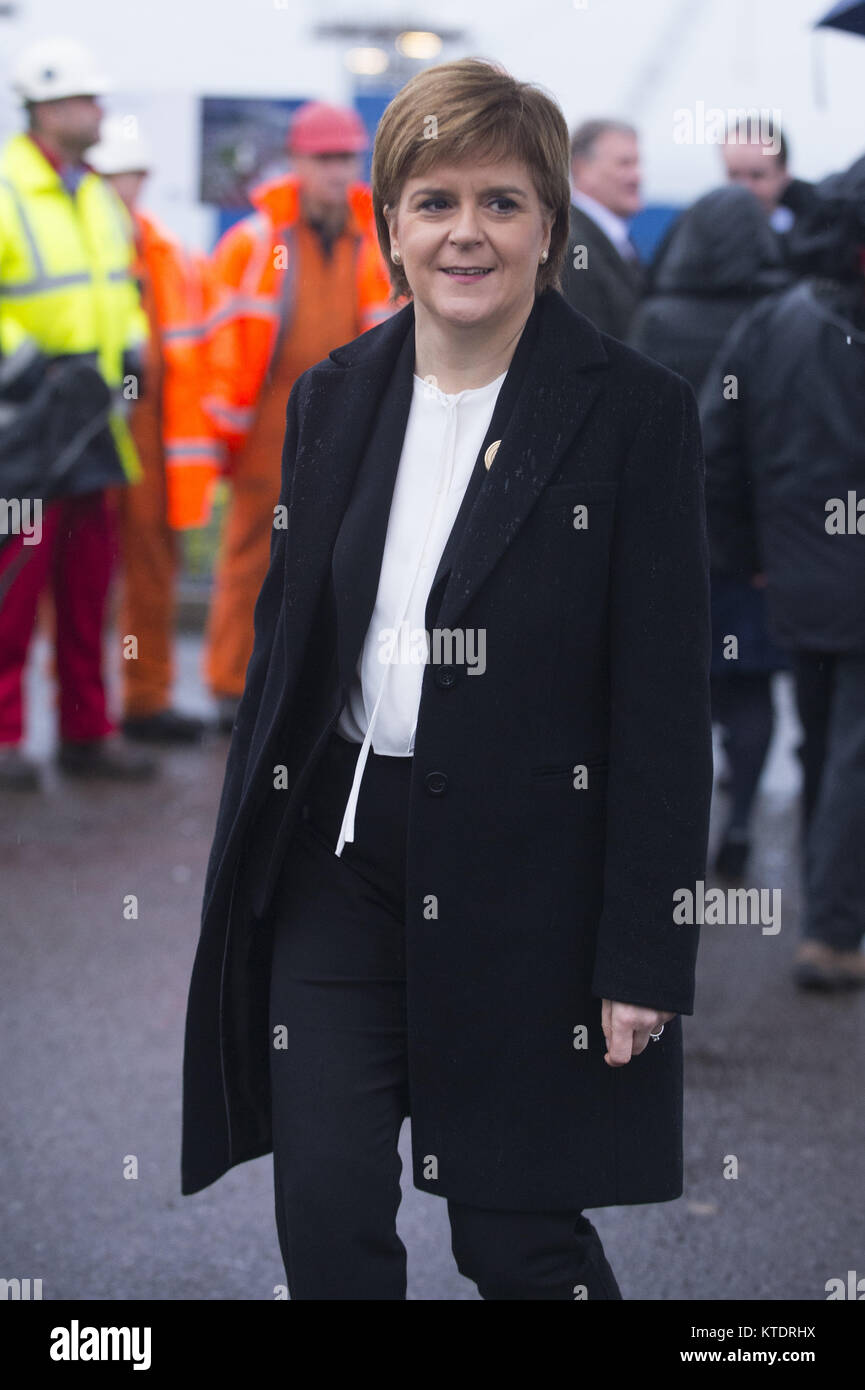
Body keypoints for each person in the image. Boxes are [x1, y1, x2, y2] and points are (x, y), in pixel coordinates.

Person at [181, 57, 713, 1300]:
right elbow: (287, 656)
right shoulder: (336, 396)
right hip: (339, 864)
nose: (465, 232)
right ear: (389, 230)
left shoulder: (636, 413)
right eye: (433, 202)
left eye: (501, 201)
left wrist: (647, 946)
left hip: (535, 881)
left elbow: (661, 702)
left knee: (514, 1238)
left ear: (549, 229)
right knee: (324, 1211)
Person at [701, 155, 865, 991]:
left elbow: (714, 452)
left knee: (825, 743)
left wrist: (746, 561)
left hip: (794, 578)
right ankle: (833, 934)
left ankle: (830, 916)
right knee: (848, 757)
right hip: (821, 574)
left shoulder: (770, 323)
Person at [201, 100, 395, 732]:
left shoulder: (378, 239)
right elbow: (220, 343)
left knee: (346, 557)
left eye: (346, 157)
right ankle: (233, 688)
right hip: (268, 424)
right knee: (252, 556)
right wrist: (221, 434)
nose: (338, 172)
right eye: (324, 158)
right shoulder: (253, 243)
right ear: (296, 162)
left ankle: (315, 687)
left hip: (349, 421)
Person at [0, 38, 155, 789]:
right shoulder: (4, 185)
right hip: (23, 425)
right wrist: (25, 363)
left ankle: (87, 733)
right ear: (51, 108)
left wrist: (131, 349)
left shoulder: (94, 195)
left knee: (89, 585)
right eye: (89, 100)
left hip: (91, 422)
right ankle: (3, 738)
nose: (99, 113)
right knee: (13, 588)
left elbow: (122, 288)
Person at [629, 184, 792, 878]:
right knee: (750, 694)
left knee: (675, 698)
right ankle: (740, 827)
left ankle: (673, 836)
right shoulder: (778, 318)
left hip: (669, 540)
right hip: (751, 546)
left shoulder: (656, 319)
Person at [87, 117, 220, 744]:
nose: (125, 191)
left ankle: (144, 699)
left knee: (150, 570)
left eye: (133, 178)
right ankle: (76, 716)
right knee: (69, 577)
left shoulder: (168, 253)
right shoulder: (85, 252)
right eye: (115, 179)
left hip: (151, 437)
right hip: (83, 433)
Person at [559, 118, 644, 339]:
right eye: (624, 164)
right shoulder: (572, 245)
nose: (637, 176)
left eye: (637, 164)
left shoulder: (615, 239)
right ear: (581, 168)